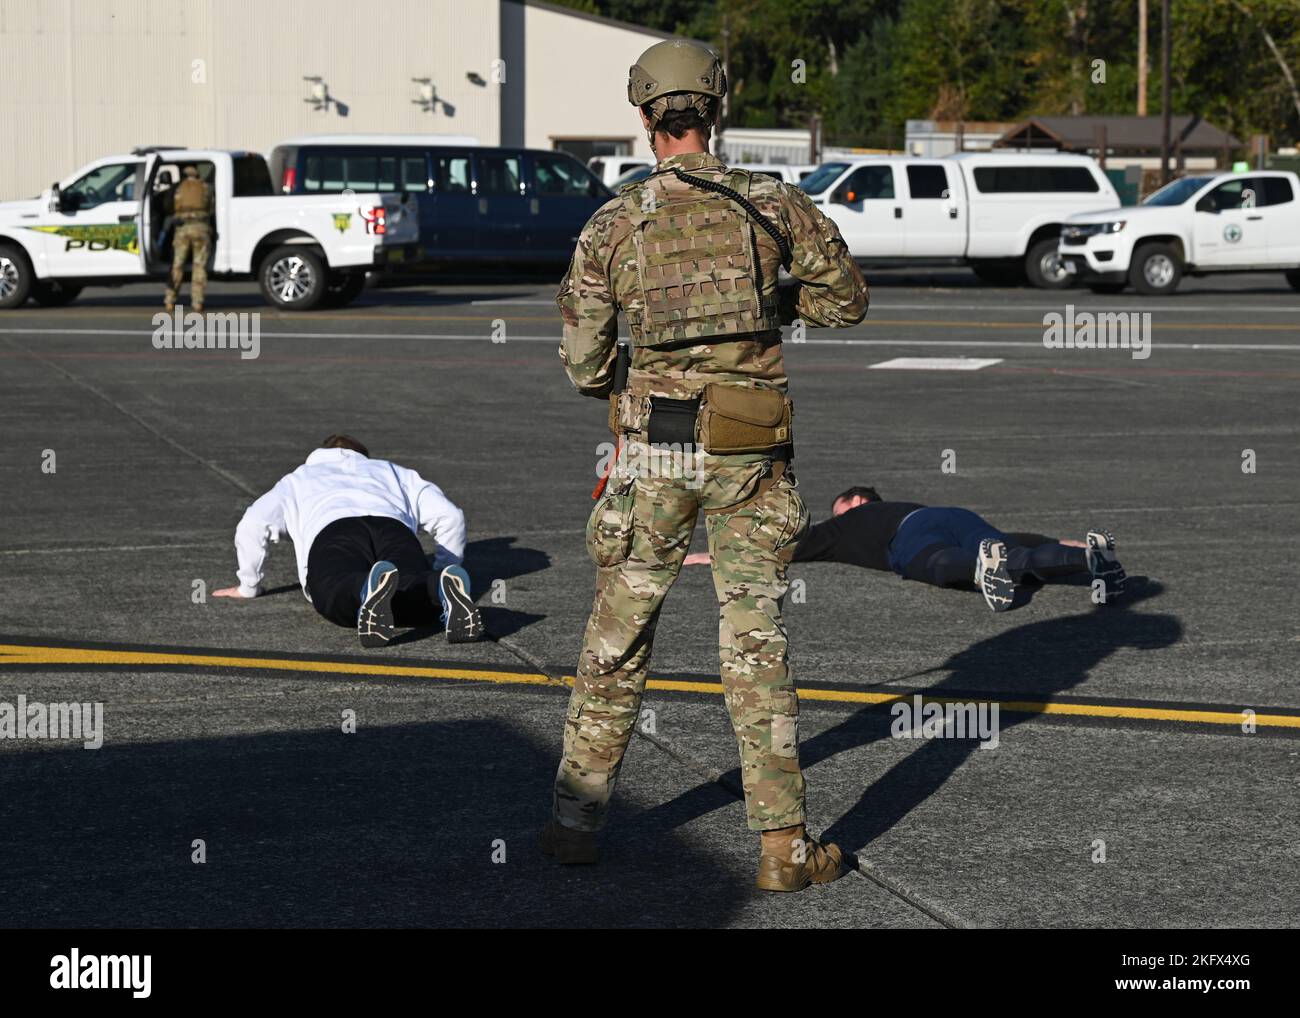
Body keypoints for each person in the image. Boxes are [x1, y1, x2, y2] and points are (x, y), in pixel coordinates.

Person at [543, 38, 870, 892]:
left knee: (616, 638)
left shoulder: (612, 224)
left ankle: (575, 828)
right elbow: (848, 301)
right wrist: (771, 304)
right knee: (753, 643)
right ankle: (783, 851)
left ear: (645, 115)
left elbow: (583, 366)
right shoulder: (771, 205)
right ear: (715, 105)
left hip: (656, 449)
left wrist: (642, 376)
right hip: (749, 450)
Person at [213, 434, 484, 647]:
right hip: (394, 530)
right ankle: (440, 585)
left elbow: (253, 524)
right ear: (363, 456)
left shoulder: (299, 478)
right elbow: (450, 516)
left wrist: (249, 585)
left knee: (334, 587)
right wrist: (443, 565)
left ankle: (365, 587)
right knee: (413, 589)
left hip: (334, 532)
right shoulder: (392, 471)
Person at [683, 486, 1126, 612]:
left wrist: (720, 555)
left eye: (838, 508)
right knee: (1016, 556)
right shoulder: (907, 502)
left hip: (911, 534)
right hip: (955, 513)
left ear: (856, 503)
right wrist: (1058, 542)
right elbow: (1011, 534)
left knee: (929, 564)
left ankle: (976, 571)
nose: (834, 516)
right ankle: (1088, 559)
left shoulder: (852, 521)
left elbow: (800, 545)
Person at [163, 165, 213, 313]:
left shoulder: (178, 187)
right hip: (201, 229)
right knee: (199, 267)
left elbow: (167, 206)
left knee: (177, 265)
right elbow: (211, 208)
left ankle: (170, 300)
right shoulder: (207, 187)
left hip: (182, 230)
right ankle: (197, 302)